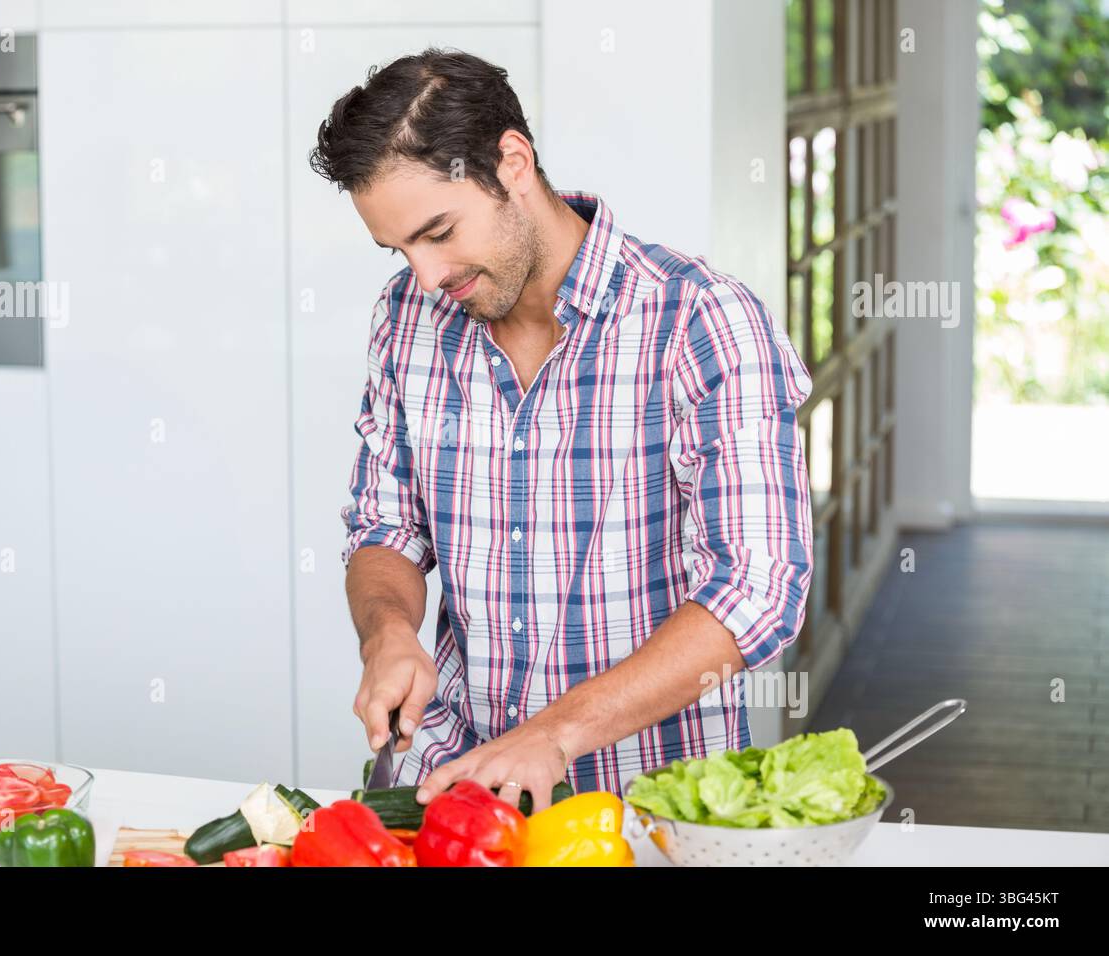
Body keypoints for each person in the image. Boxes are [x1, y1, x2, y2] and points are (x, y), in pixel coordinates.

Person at [309, 47, 814, 813]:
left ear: (512, 162)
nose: (425, 275)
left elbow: (759, 585)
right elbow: (386, 525)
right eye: (400, 248)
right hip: (456, 790)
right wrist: (389, 634)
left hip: (652, 806)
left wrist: (555, 733)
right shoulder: (408, 318)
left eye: (439, 231)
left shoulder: (699, 319)